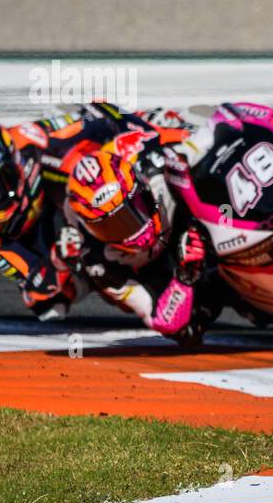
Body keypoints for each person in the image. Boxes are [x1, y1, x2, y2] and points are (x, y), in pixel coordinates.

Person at [0, 102, 163, 320]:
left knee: (103, 158)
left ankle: (148, 200)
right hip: (39, 236)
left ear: (13, 160)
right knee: (47, 303)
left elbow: (96, 116)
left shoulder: (30, 139)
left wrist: (138, 127)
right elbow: (35, 281)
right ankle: (129, 283)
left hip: (59, 188)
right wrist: (59, 259)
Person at [65, 129, 224, 346]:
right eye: (109, 226)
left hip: (192, 225)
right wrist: (185, 277)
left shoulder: (159, 168)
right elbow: (160, 319)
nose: (130, 230)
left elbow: (211, 138)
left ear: (141, 185)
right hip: (165, 273)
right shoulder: (96, 261)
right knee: (185, 332)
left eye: (132, 209)